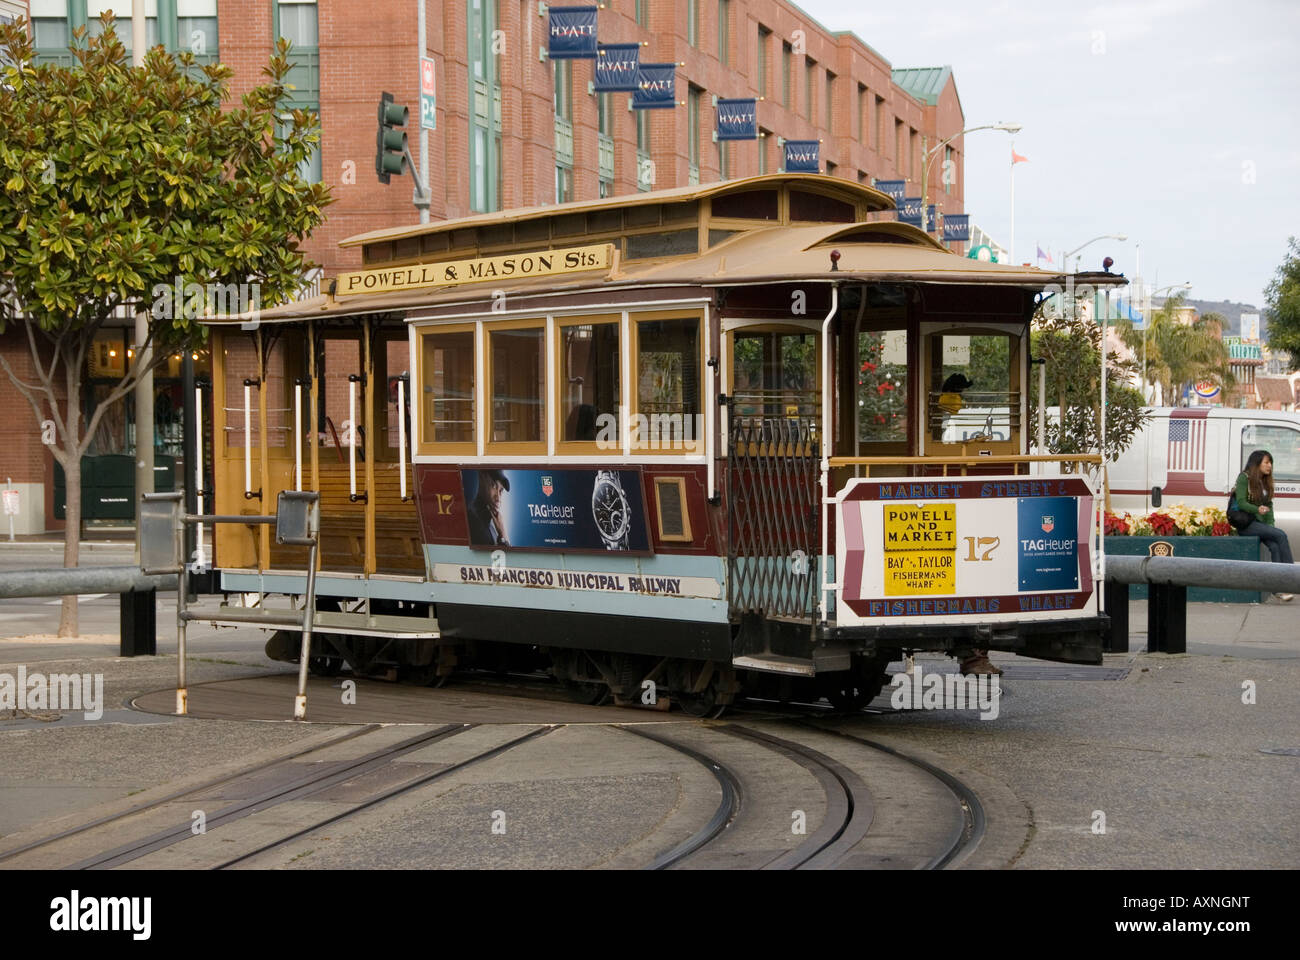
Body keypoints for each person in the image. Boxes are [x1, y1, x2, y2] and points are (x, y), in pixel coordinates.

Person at [1235, 450, 1293, 601]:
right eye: (1266, 462)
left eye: (1271, 463)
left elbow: (1269, 507)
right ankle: (1293, 577)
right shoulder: (1244, 478)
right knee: (1281, 535)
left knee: (1275, 546)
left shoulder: (1265, 481)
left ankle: (1277, 590)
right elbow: (1241, 502)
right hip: (1246, 524)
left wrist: (1271, 526)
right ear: (1257, 463)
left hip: (1260, 524)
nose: (1270, 466)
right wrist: (1257, 509)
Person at [467, 469, 510, 547]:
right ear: (481, 477)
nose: (498, 498)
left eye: (501, 490)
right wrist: (503, 535)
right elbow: (506, 558)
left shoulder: (490, 522)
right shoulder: (475, 523)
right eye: (494, 486)